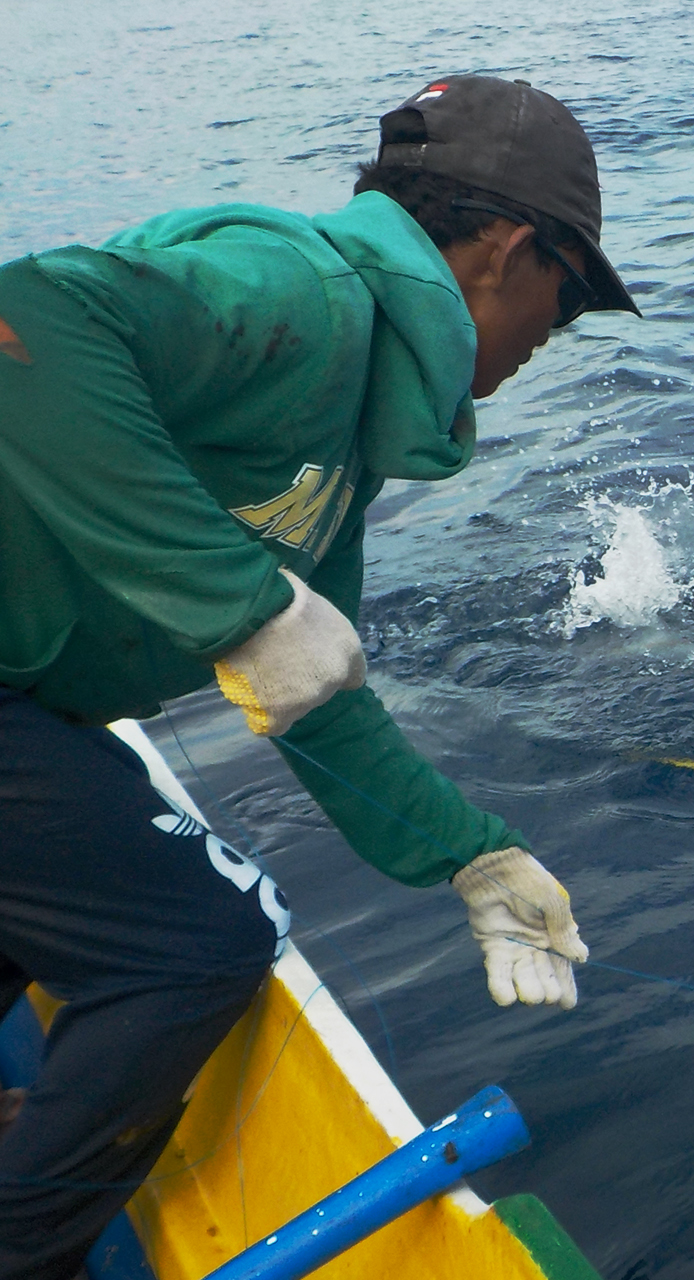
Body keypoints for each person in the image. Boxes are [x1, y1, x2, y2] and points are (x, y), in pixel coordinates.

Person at [0, 75, 640, 1277]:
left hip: (27, 707)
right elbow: (21, 326)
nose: (558, 333)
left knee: (58, 906)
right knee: (198, 940)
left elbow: (314, 693)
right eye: (568, 297)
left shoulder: (342, 440)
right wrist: (235, 605)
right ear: (506, 251)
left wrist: (473, 854)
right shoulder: (304, 290)